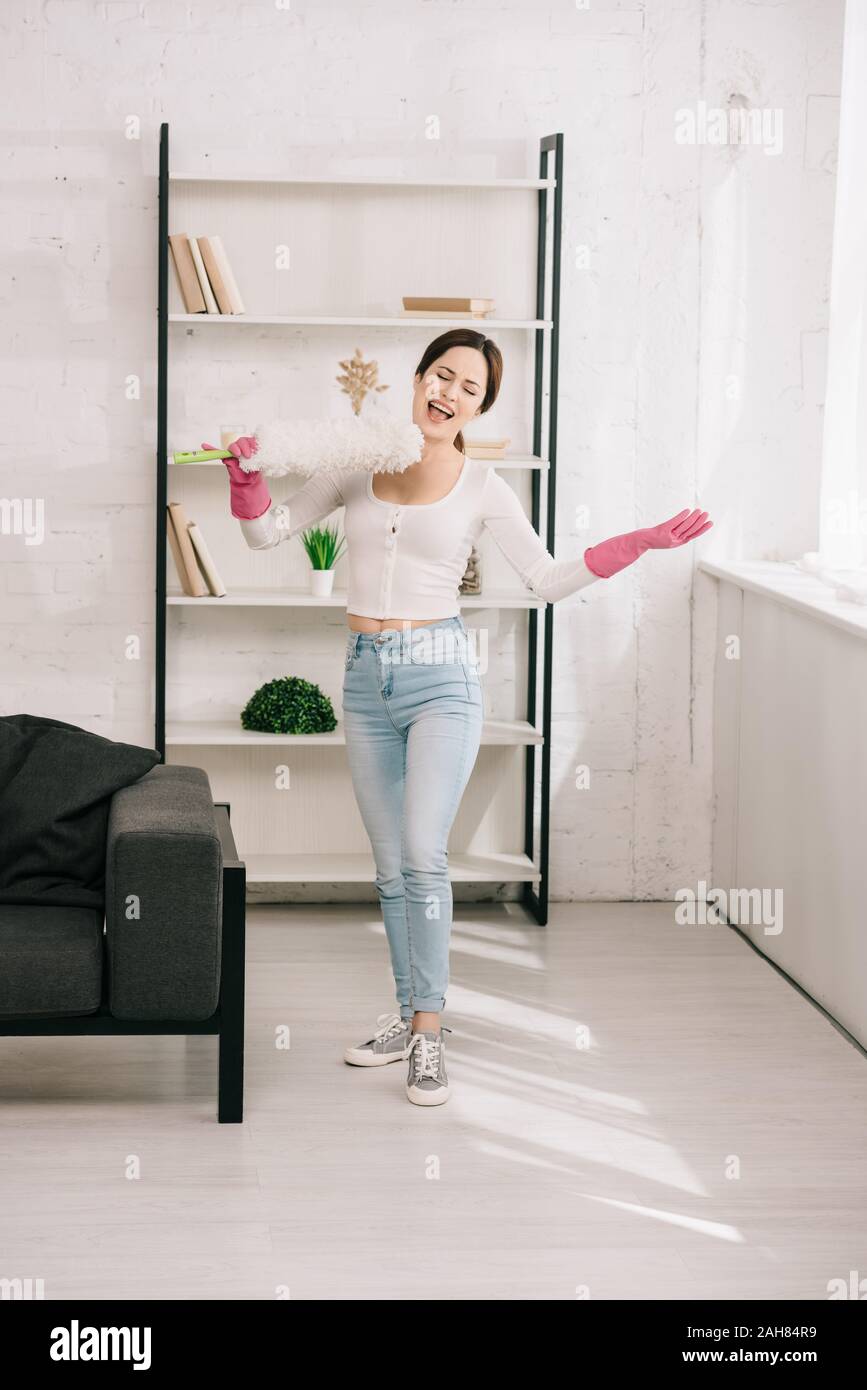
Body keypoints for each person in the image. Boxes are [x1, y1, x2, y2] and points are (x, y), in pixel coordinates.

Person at [206, 327, 712, 1107]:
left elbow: (544, 578)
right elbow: (266, 531)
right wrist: (245, 478)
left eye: (468, 389)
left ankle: (431, 1034)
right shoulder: (355, 466)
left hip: (439, 676)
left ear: (478, 407)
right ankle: (409, 1017)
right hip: (364, 681)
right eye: (441, 376)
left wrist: (635, 545)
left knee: (422, 854)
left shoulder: (485, 486)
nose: (449, 393)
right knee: (388, 866)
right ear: (415, 380)